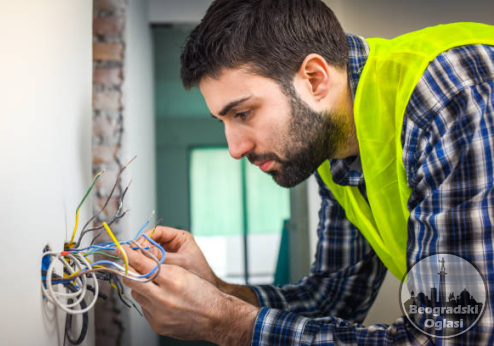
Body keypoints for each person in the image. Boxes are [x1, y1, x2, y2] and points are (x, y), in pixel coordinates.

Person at [120, 0, 494, 344]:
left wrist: (226, 322)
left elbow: (454, 337)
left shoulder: (452, 96)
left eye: (244, 113)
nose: (235, 149)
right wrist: (218, 290)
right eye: (224, 120)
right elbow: (332, 298)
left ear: (314, 78)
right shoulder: (332, 141)